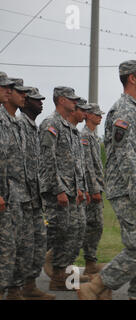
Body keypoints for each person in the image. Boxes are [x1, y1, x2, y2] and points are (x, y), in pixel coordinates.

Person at [78, 60, 136, 300]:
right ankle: (96, 287)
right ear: (132, 78)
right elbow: (125, 154)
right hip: (128, 191)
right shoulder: (124, 110)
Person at [39, 86, 90, 291]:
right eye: (71, 99)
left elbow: (75, 163)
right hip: (58, 191)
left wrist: (79, 188)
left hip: (71, 191)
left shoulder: (70, 129)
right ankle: (39, 273)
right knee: (58, 232)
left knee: (75, 231)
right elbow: (48, 159)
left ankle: (61, 275)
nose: (75, 103)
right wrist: (59, 189)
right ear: (61, 100)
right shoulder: (51, 124)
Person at [16, 87, 56, 300]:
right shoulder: (20, 125)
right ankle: (16, 288)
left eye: (41, 100)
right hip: (20, 196)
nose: (41, 103)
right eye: (35, 100)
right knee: (20, 245)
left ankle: (29, 285)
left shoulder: (33, 127)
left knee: (37, 244)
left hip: (34, 196)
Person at [0, 78, 34, 300]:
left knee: (17, 246)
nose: (22, 96)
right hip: (5, 195)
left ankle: (14, 289)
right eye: (13, 90)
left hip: (18, 195)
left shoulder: (17, 123)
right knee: (5, 249)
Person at [80, 103, 107, 276]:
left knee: (95, 225)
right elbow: (87, 165)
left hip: (96, 187)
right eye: (96, 114)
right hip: (90, 189)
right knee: (89, 225)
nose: (99, 116)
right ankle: (55, 258)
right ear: (88, 115)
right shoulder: (84, 136)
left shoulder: (93, 137)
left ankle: (91, 261)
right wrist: (93, 188)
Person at [0, 72, 14, 300]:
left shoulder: (4, 119)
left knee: (8, 248)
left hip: (8, 193)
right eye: (3, 86)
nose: (8, 90)